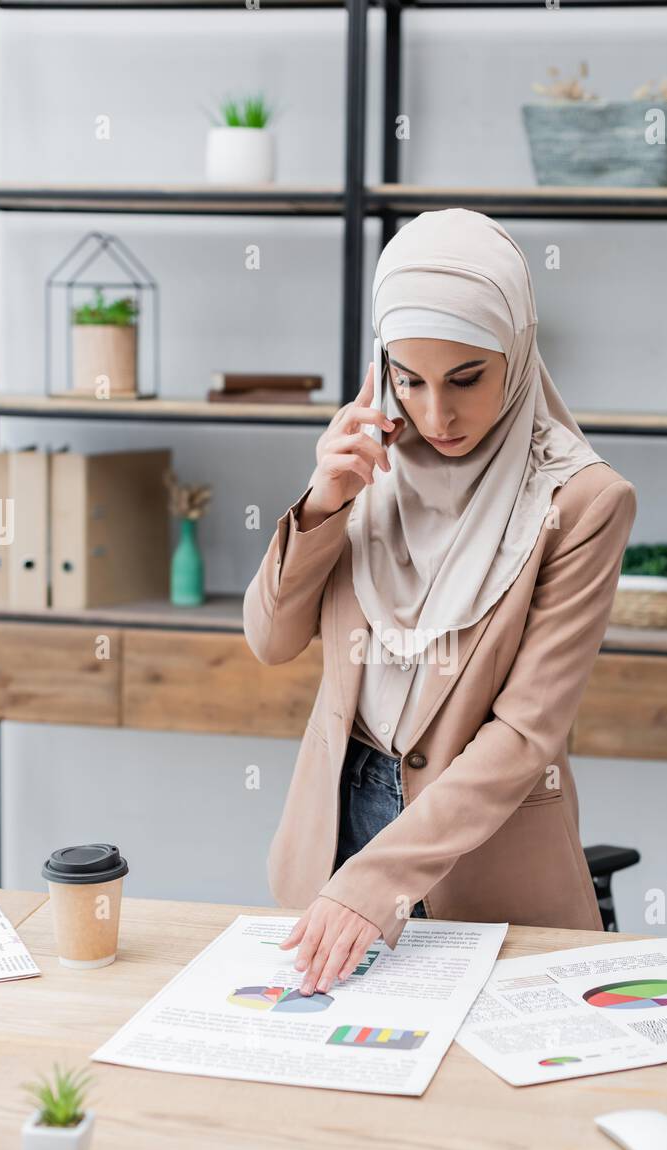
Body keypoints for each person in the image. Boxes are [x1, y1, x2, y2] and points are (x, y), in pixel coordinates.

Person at [243, 207, 636, 995]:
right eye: (408, 378)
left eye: (465, 379)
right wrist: (322, 503)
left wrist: (375, 881)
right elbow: (271, 639)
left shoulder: (583, 501)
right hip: (338, 824)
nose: (434, 415)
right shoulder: (363, 452)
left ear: (517, 353)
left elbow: (524, 734)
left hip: (483, 857)